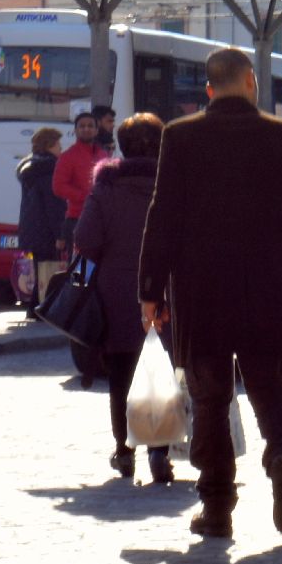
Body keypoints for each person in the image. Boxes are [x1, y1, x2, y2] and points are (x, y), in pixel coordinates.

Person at [140, 49, 282, 539]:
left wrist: (150, 290)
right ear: (251, 82)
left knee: (210, 398)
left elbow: (163, 216)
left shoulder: (180, 136)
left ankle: (217, 507)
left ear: (208, 89)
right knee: (272, 385)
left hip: (202, 290)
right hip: (270, 287)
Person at [74, 113, 174, 485]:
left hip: (116, 294)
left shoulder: (106, 187)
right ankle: (159, 451)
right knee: (160, 372)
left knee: (121, 375)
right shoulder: (175, 183)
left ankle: (125, 451)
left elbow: (86, 239)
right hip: (165, 292)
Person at [15, 127, 66, 314]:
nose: (61, 148)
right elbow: (54, 205)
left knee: (40, 269)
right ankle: (42, 308)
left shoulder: (31, 168)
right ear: (49, 145)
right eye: (58, 144)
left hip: (32, 228)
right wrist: (60, 234)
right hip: (46, 230)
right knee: (49, 269)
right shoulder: (49, 169)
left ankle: (36, 307)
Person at [51, 111, 107, 257]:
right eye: (82, 126)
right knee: (80, 263)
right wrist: (85, 196)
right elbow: (58, 187)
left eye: (90, 126)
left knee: (99, 261)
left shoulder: (103, 155)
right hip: (77, 218)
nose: (86, 129)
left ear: (96, 130)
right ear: (75, 131)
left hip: (102, 218)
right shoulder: (68, 156)